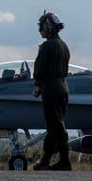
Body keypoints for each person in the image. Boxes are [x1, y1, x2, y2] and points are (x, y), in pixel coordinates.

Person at [32, 10, 71, 170]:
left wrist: (38, 84)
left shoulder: (47, 46)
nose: (40, 30)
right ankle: (45, 161)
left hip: (51, 88)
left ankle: (64, 161)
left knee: (55, 126)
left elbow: (40, 69)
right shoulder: (63, 46)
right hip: (63, 87)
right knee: (54, 125)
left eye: (41, 26)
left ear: (47, 27)